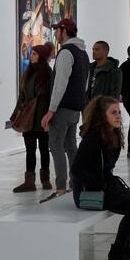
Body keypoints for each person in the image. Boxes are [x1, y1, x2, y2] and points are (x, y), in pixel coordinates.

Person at [72, 96, 130, 260]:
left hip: (104, 186)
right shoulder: (92, 139)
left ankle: (124, 246)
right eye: (113, 113)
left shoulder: (111, 134)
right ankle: (116, 252)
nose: (118, 116)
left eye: (119, 112)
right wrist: (99, 185)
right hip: (88, 193)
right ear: (102, 115)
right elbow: (76, 171)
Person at [41, 18, 89, 196]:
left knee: (56, 146)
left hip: (62, 109)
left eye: (57, 30)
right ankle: (76, 183)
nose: (55, 33)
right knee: (70, 146)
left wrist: (51, 110)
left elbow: (60, 83)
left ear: (63, 30)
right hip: (75, 108)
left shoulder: (66, 52)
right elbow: (84, 84)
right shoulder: (82, 53)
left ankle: (61, 188)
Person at [12, 43, 54, 192]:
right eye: (32, 53)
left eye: (35, 54)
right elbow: (22, 96)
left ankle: (45, 180)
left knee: (44, 149)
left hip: (42, 117)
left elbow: (51, 97)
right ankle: (29, 182)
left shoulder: (48, 73)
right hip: (29, 118)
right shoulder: (28, 73)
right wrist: (15, 114)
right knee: (30, 150)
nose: (31, 56)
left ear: (41, 57)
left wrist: (50, 115)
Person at [87, 40, 123, 106]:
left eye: (97, 49)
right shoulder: (89, 69)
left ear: (106, 52)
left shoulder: (114, 71)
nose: (93, 52)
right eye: (93, 49)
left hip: (104, 111)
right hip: (89, 111)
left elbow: (114, 96)